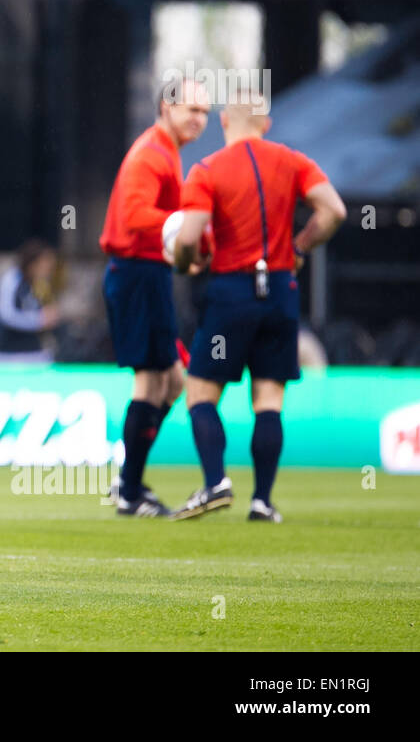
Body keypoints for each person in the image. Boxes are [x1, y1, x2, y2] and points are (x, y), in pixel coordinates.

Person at [171, 95, 345, 521]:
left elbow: (189, 235)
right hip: (281, 293)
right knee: (268, 400)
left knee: (200, 391)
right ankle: (262, 502)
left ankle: (216, 483)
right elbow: (334, 211)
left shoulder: (207, 169)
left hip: (231, 294)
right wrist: (299, 248)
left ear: (225, 121)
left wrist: (184, 261)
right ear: (265, 123)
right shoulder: (293, 162)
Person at [99, 77, 211, 516]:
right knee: (152, 380)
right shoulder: (151, 153)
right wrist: (187, 229)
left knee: (174, 380)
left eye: (204, 112)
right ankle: (128, 491)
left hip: (151, 273)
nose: (199, 120)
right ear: (167, 106)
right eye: (191, 110)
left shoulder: (165, 151)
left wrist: (183, 249)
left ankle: (129, 479)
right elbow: (135, 215)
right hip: (136, 275)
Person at [0, 240, 61, 363]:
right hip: (7, 355)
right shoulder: (11, 279)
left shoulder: (41, 284)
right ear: (33, 263)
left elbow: (46, 311)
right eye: (45, 263)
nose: (49, 268)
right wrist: (38, 320)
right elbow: (6, 314)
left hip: (35, 353)